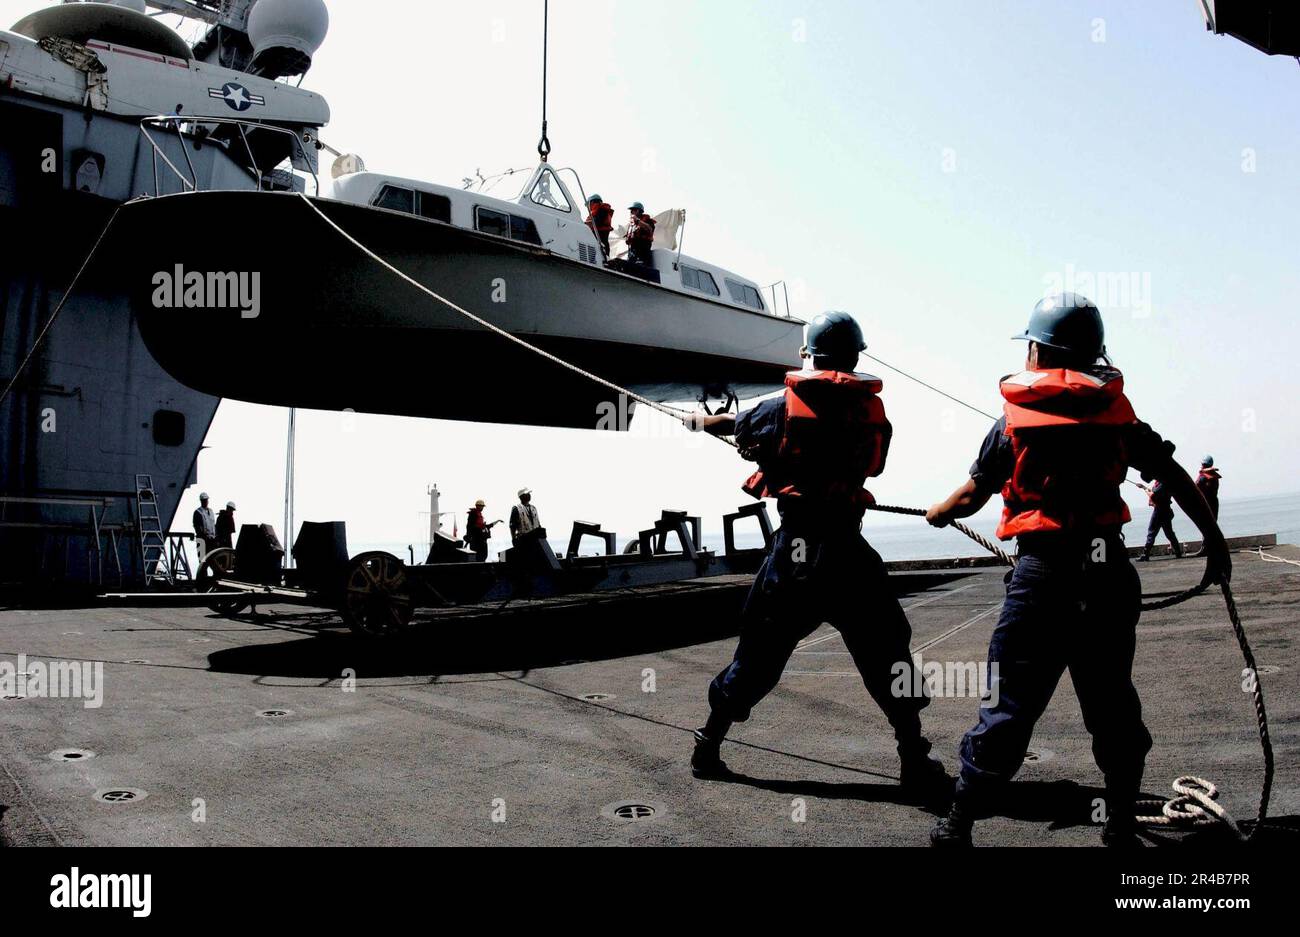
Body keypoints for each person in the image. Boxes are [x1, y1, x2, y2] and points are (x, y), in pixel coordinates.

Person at [924, 293, 1231, 847]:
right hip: (1107, 574)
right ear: (1097, 354)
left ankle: (958, 826)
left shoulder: (1011, 423)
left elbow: (974, 494)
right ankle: (1118, 825)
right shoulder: (1119, 419)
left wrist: (940, 510)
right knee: (1112, 703)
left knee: (1009, 708)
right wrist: (1214, 542)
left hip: (1042, 579)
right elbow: (1175, 476)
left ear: (1037, 351)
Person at [685, 311, 948, 797]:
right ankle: (914, 755)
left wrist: (701, 422)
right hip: (847, 549)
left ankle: (709, 743)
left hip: (796, 553)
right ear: (854, 357)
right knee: (887, 651)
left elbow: (737, 426)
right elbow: (877, 464)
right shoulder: (873, 413)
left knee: (759, 653)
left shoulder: (779, 407)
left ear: (808, 354)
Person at [1137, 478, 1182, 561]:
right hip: (1166, 510)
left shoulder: (1162, 484)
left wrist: (1143, 488)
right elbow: (1154, 491)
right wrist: (1144, 487)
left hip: (1159, 511)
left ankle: (1145, 555)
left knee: (1152, 532)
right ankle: (1178, 552)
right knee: (1169, 533)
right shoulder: (1165, 482)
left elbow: (1153, 495)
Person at [625, 201, 656, 266]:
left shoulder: (648, 221)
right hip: (632, 252)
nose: (631, 212)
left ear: (638, 211)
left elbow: (649, 229)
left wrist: (638, 221)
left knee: (640, 267)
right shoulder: (632, 224)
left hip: (642, 252)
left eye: (633, 210)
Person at [192, 492, 217, 558]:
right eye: (204, 500)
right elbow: (197, 527)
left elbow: (213, 525)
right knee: (202, 561)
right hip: (202, 539)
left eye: (206, 500)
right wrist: (203, 536)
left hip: (211, 540)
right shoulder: (197, 512)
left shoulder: (211, 511)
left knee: (212, 560)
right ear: (201, 501)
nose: (205, 501)